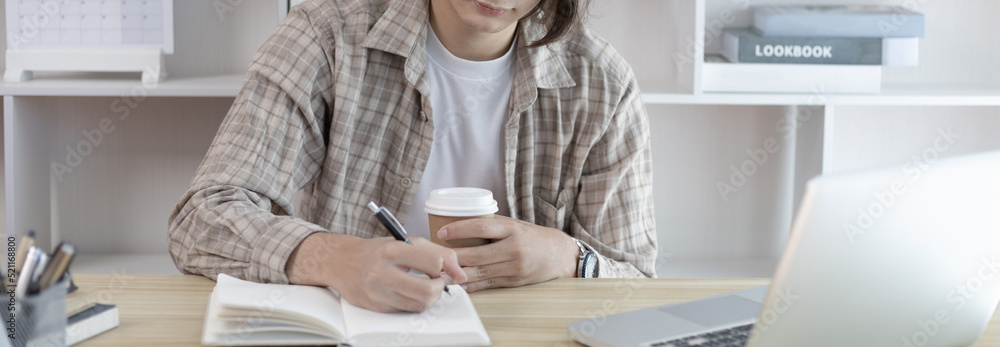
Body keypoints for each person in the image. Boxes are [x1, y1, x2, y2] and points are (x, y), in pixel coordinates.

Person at [168, 0, 657, 313]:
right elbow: (201, 218)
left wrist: (566, 256)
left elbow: (636, 277)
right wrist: (333, 257)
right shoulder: (325, 39)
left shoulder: (602, 82)